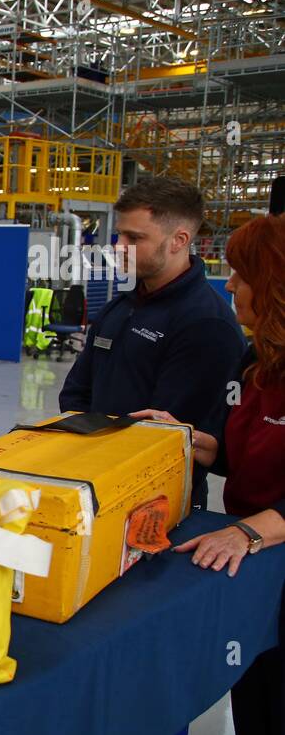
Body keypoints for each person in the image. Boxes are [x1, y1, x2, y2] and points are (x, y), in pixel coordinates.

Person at [131, 214, 285, 735]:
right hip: (260, 571)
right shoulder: (259, 362)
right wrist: (185, 438)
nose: (230, 288)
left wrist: (249, 530)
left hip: (264, 544)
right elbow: (239, 450)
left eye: (243, 276)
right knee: (260, 734)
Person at [59, 176, 244, 509]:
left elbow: (162, 435)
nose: (118, 247)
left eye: (134, 238)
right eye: (119, 235)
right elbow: (75, 392)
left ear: (178, 240)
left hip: (154, 502)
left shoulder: (206, 325)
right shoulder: (121, 307)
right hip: (90, 481)